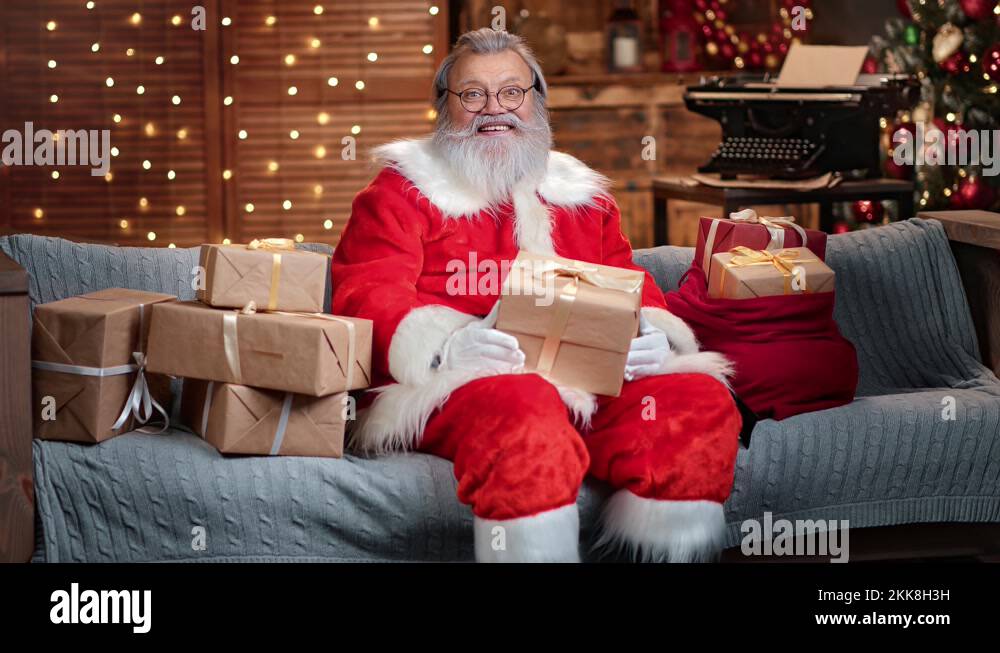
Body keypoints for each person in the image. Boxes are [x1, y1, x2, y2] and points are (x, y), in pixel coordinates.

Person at [332, 28, 741, 562]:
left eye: (511, 93)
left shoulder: (582, 197)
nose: (493, 109)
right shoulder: (400, 192)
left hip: (590, 383)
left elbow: (629, 282)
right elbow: (367, 293)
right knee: (525, 405)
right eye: (472, 95)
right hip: (462, 387)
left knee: (697, 400)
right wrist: (445, 348)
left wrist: (652, 336)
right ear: (445, 108)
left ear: (536, 102)